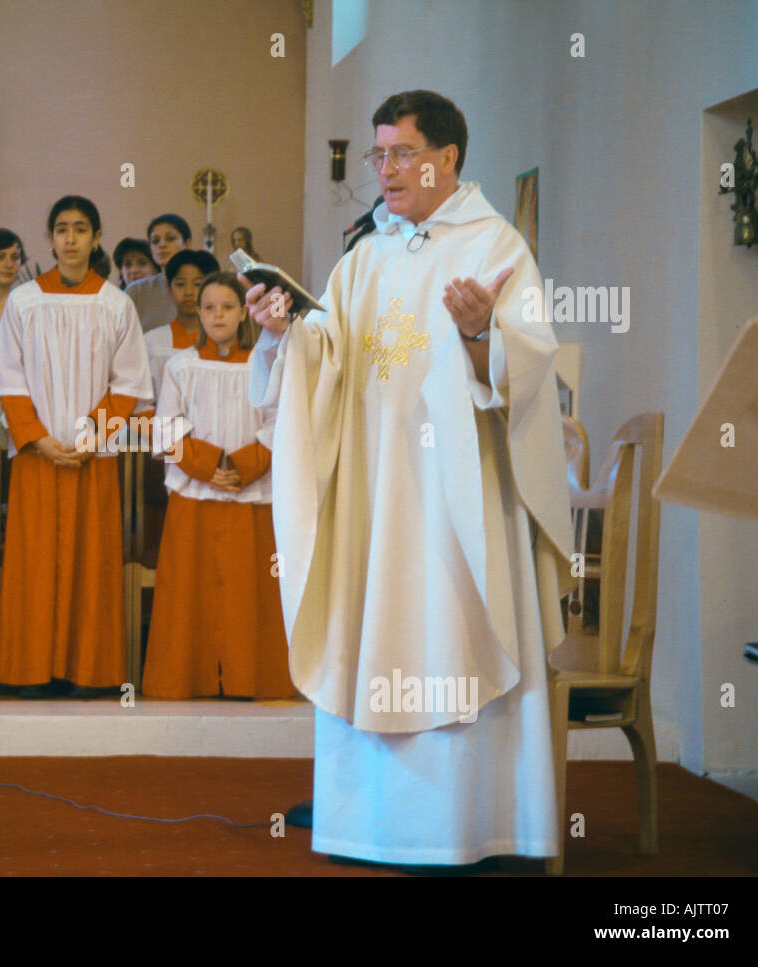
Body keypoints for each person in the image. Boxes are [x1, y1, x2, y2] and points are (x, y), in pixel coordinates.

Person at [245, 90, 574, 865]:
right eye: (378, 154)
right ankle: (373, 824)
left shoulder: (496, 247)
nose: (385, 170)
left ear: (447, 159)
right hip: (374, 491)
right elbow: (327, 356)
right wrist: (286, 330)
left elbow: (531, 368)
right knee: (375, 625)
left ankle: (473, 825)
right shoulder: (368, 255)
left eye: (400, 153)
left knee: (452, 630)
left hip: (459, 498)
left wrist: (479, 333)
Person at [0, 195, 152, 698]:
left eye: (81, 229)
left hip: (91, 458)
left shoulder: (115, 304)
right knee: (35, 563)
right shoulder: (23, 302)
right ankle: (31, 670)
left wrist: (88, 437)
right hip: (39, 457)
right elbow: (8, 380)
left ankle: (89, 670)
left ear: (97, 237)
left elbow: (129, 382)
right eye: (61, 229)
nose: (71, 238)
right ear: (51, 238)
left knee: (91, 561)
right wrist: (39, 440)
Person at [144, 271, 292, 699]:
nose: (217, 315)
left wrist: (244, 466)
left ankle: (250, 677)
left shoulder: (264, 362)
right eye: (208, 307)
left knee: (250, 592)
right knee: (190, 590)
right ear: (198, 312)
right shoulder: (180, 365)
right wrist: (208, 467)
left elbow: (280, 420)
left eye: (227, 306)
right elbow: (166, 428)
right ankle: (188, 677)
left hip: (250, 493)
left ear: (245, 310)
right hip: (197, 492)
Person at [144, 249, 219, 397]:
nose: (189, 292)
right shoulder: (151, 341)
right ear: (168, 289)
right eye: (180, 284)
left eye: (198, 284)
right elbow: (142, 400)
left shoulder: (222, 342)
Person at [125, 214, 191, 333]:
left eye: (170, 238)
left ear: (187, 244)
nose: (161, 245)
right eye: (155, 241)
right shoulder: (136, 291)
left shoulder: (205, 287)